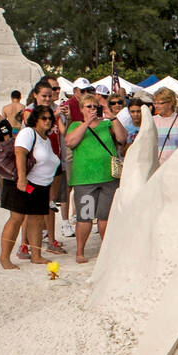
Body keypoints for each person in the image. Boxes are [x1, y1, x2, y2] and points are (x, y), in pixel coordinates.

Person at [66, 93, 127, 263]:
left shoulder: (107, 124)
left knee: (105, 216)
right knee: (85, 216)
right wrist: (87, 122)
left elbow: (122, 138)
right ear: (81, 109)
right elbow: (70, 142)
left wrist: (112, 117)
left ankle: (106, 250)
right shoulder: (75, 125)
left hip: (108, 176)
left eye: (95, 106)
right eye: (89, 107)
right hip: (85, 179)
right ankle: (80, 251)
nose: (93, 109)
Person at [0, 105, 60, 269]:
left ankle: (36, 255)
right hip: (24, 182)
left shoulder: (45, 138)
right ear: (35, 120)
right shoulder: (28, 133)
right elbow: (20, 153)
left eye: (50, 118)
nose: (48, 121)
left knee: (37, 220)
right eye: (44, 118)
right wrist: (22, 178)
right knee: (16, 219)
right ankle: (5, 258)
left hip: (41, 185)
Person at [151, 87, 178, 162]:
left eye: (160, 103)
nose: (156, 106)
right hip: (157, 168)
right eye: (155, 103)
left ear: (171, 103)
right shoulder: (151, 121)